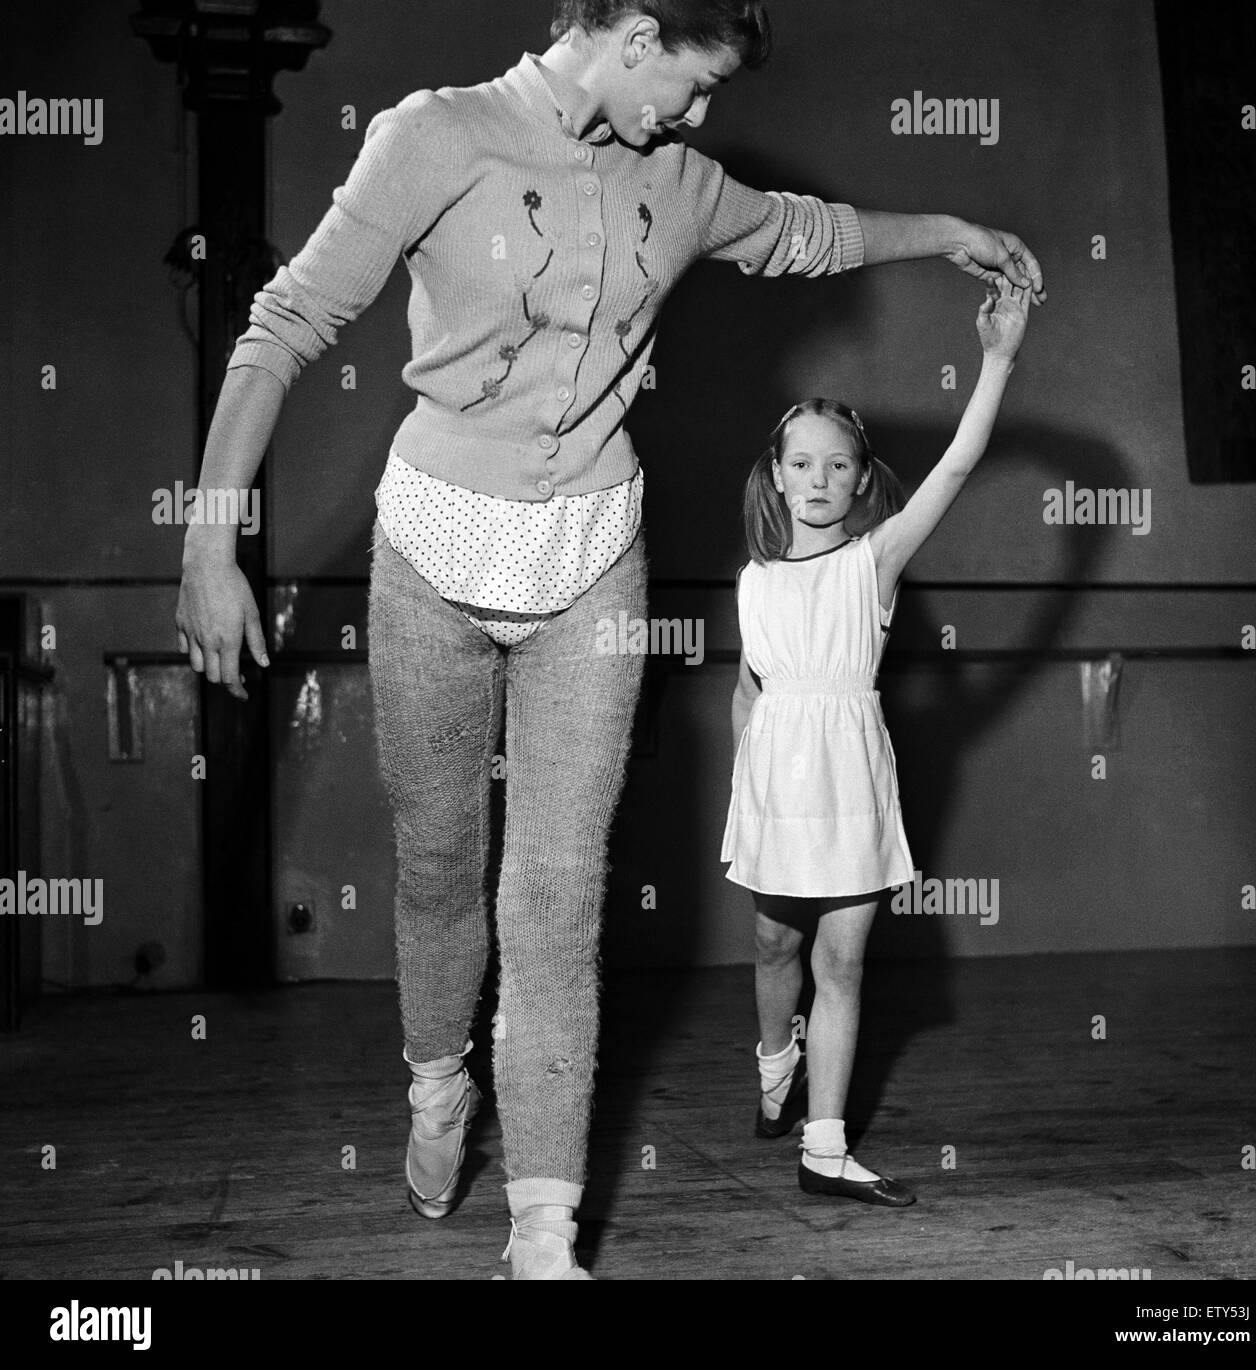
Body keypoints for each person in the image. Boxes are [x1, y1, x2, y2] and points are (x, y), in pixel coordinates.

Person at [174, 0, 1045, 1279]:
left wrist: (954, 231)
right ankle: (434, 1081)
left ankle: (543, 1229)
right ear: (633, 34)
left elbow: (811, 235)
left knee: (556, 897)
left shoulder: (680, 184)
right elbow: (281, 327)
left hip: (592, 556)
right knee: (435, 862)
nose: (696, 123)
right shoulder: (434, 136)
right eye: (690, 90)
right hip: (431, 550)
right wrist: (208, 545)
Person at [722, 278, 1032, 1205]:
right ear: (777, 474)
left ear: (860, 478)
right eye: (803, 465)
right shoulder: (753, 580)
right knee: (776, 948)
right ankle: (776, 1059)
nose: (820, 481)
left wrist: (999, 359)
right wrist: (747, 784)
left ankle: (825, 1145)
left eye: (838, 466)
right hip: (777, 775)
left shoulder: (877, 560)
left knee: (841, 960)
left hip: (851, 768)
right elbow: (747, 688)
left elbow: (960, 467)